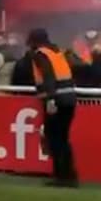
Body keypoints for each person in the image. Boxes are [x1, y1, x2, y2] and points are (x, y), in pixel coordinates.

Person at [27, 28, 78, 187]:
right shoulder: (57, 52)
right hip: (69, 98)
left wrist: (50, 99)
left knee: (54, 137)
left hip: (56, 99)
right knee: (63, 138)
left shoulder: (40, 54)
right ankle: (69, 175)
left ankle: (61, 176)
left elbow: (48, 76)